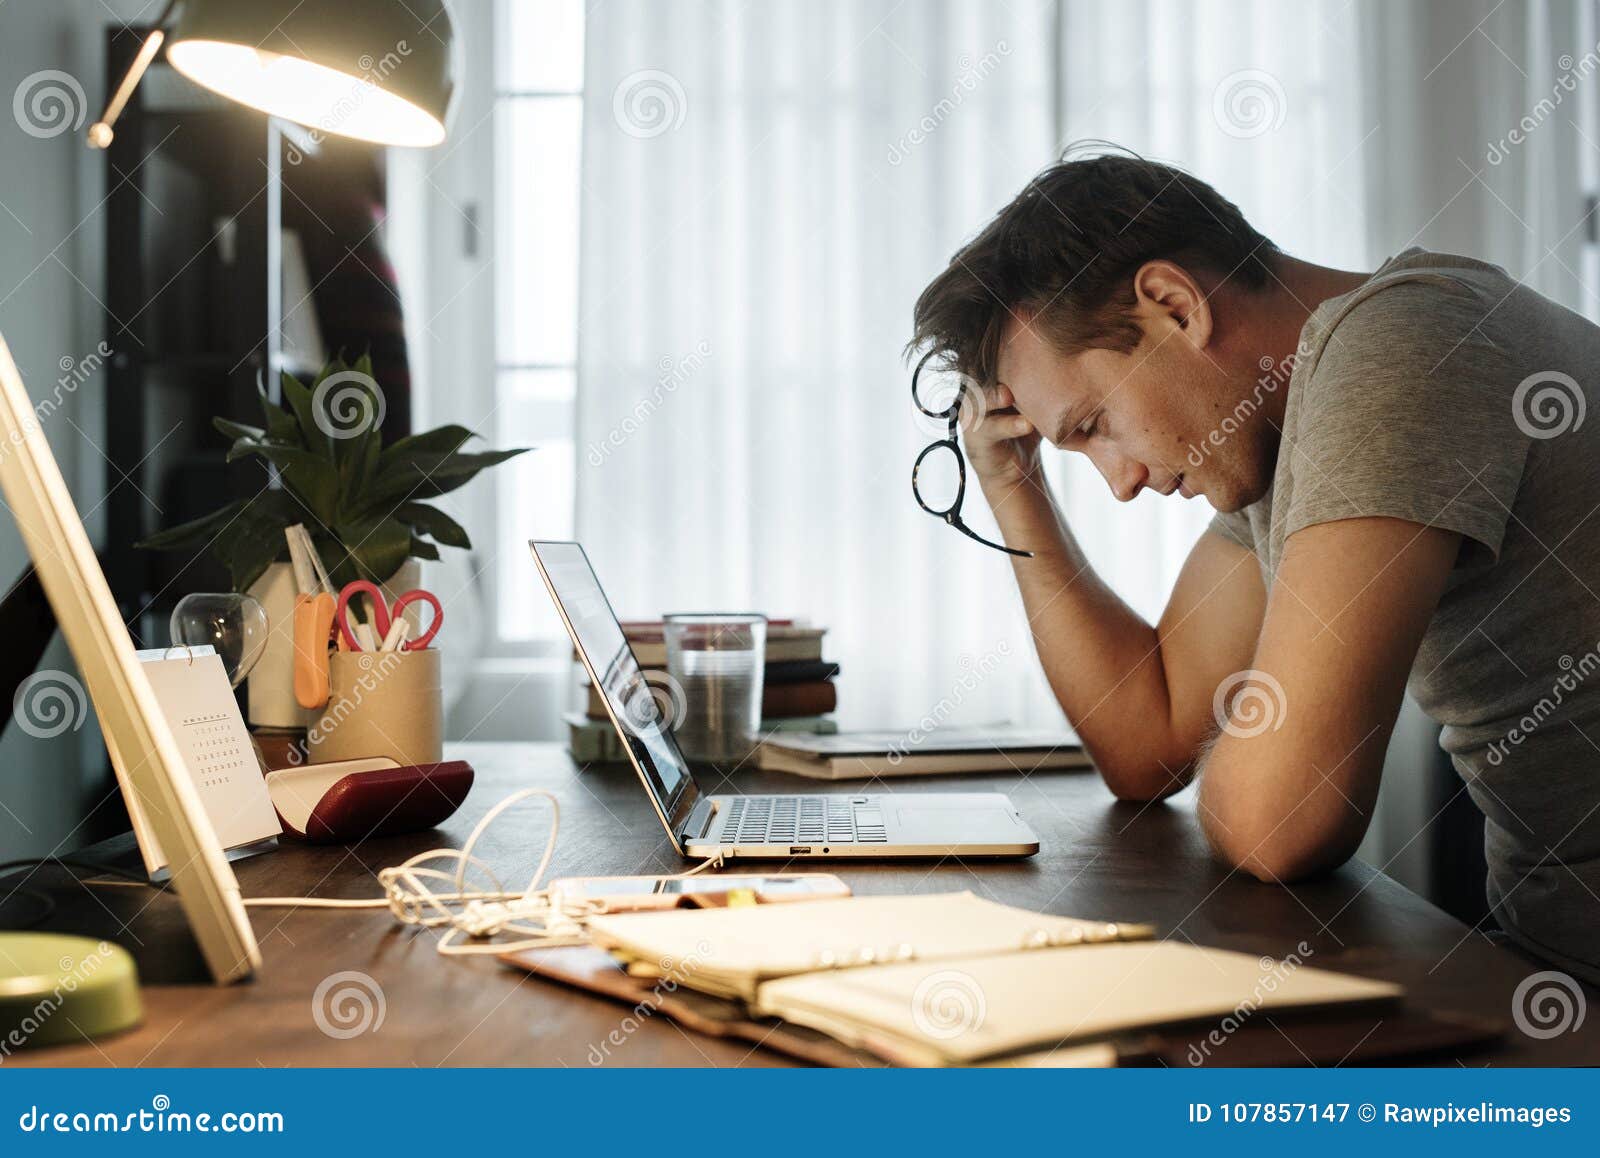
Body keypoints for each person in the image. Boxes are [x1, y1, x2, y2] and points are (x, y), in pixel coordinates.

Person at [910, 149, 1600, 982]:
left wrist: (1261, 755)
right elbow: (1148, 744)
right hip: (1548, 963)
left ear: (1174, 305)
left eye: (1094, 425)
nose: (1121, 482)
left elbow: (1281, 820)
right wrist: (1011, 483)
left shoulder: (1404, 345)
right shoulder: (1278, 435)